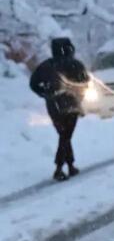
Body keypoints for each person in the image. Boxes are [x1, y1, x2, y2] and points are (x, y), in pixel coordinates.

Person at [29, 37, 89, 181]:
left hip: (53, 105)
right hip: (71, 104)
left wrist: (45, 94)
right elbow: (85, 82)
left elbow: (33, 84)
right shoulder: (76, 64)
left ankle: (70, 165)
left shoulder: (45, 66)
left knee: (64, 136)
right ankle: (59, 168)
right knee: (65, 136)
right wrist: (79, 96)